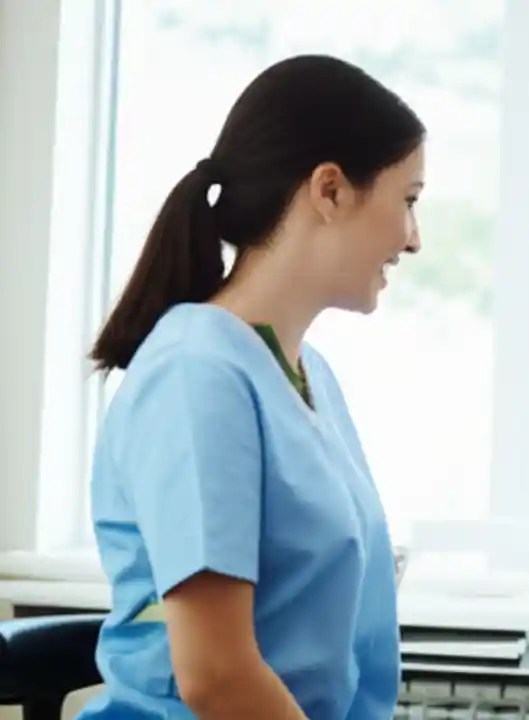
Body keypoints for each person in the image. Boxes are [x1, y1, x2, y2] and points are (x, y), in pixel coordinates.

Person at [78, 54, 425, 719]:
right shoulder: (196, 375)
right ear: (330, 190)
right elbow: (215, 677)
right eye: (408, 201)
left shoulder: (304, 374)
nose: (413, 240)